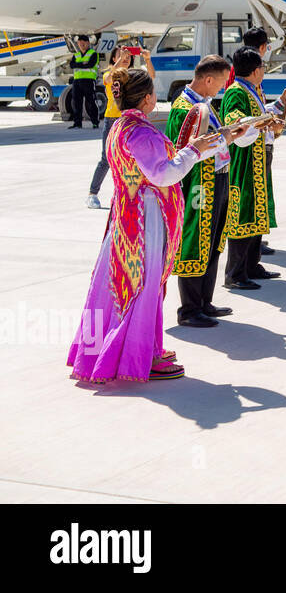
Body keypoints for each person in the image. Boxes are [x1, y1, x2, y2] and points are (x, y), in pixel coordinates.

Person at [67, 68, 221, 383]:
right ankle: (140, 356)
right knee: (143, 285)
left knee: (113, 286)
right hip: (145, 219)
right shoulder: (141, 132)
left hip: (123, 216)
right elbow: (162, 175)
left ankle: (114, 350)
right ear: (148, 98)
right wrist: (194, 151)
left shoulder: (118, 127)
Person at [167, 55, 252, 328]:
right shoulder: (184, 108)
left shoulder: (203, 104)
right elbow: (187, 149)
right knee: (195, 242)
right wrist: (223, 138)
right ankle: (189, 308)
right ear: (207, 80)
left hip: (216, 179)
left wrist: (229, 135)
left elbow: (212, 140)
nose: (222, 89)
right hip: (198, 185)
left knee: (214, 242)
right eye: (221, 83)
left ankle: (204, 301)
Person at [221, 47, 286, 289]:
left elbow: (258, 116)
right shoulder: (235, 92)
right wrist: (263, 121)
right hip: (243, 162)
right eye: (262, 67)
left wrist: (277, 106)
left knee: (255, 213)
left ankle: (252, 265)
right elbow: (235, 122)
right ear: (254, 70)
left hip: (257, 160)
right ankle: (235, 273)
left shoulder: (252, 90)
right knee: (242, 214)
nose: (263, 71)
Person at [88, 45, 155, 209]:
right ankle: (92, 193)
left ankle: (131, 192)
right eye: (121, 55)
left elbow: (151, 77)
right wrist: (120, 60)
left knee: (133, 158)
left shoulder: (132, 75)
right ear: (113, 58)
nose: (126, 58)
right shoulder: (110, 73)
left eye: (128, 56)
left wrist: (147, 59)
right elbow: (109, 78)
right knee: (106, 158)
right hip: (112, 118)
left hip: (131, 118)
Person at [68, 34, 99, 130]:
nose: (82, 45)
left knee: (91, 102)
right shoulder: (76, 55)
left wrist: (79, 64)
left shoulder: (93, 53)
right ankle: (77, 123)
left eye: (84, 43)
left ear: (88, 43)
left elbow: (90, 65)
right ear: (78, 44)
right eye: (80, 43)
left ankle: (95, 122)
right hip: (77, 81)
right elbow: (72, 65)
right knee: (76, 103)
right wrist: (83, 64)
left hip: (89, 81)